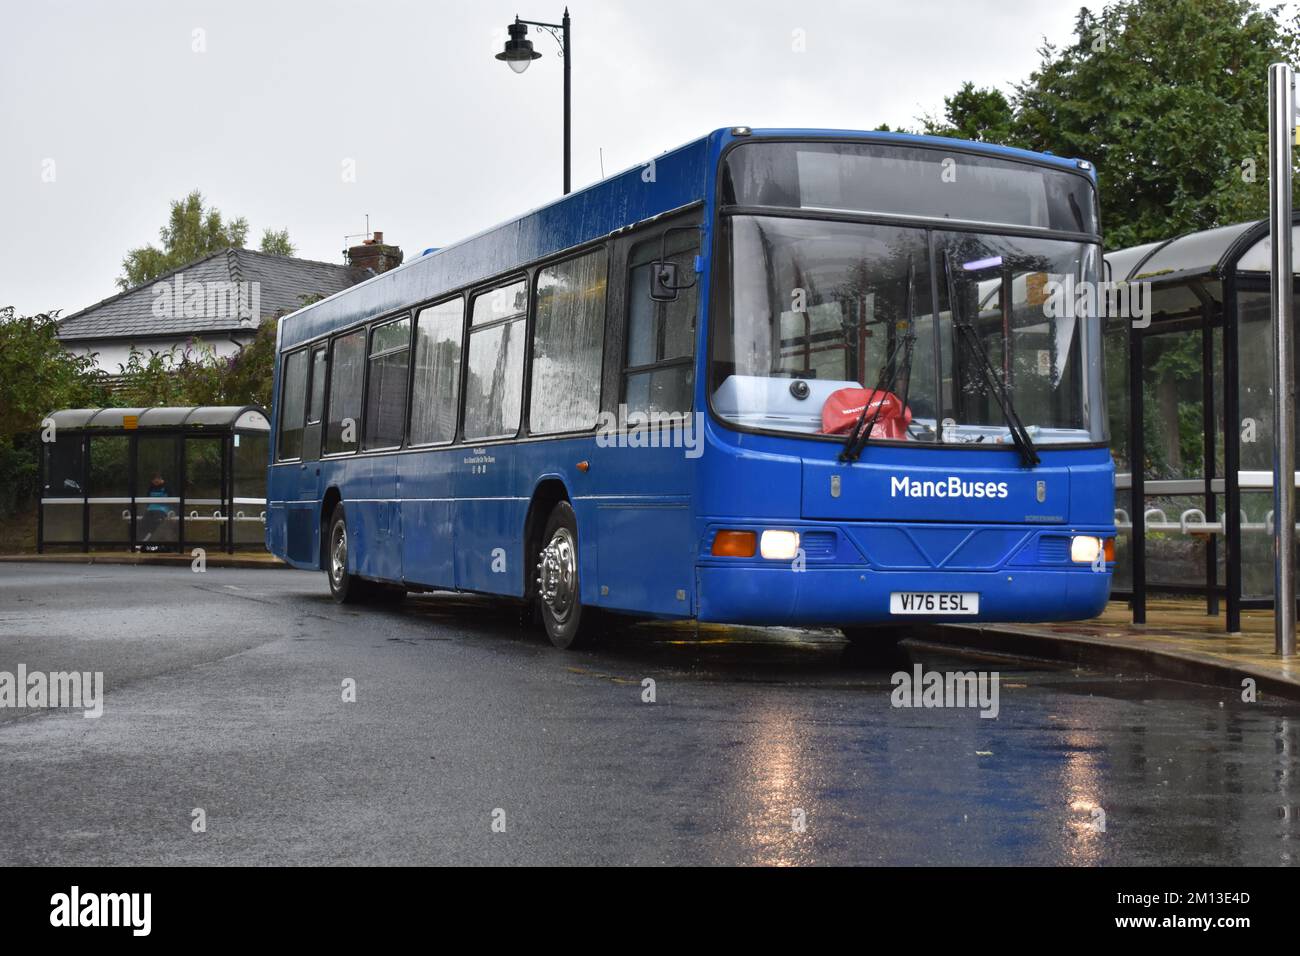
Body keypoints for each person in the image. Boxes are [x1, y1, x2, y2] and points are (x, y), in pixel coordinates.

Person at [139, 472, 171, 550]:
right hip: (151, 509)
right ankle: (140, 541)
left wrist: (172, 511)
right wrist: (147, 507)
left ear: (160, 479)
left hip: (163, 509)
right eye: (154, 481)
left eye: (157, 480)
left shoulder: (167, 487)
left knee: (156, 521)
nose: (155, 483)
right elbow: (147, 499)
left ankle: (145, 541)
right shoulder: (151, 487)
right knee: (144, 522)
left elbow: (172, 499)